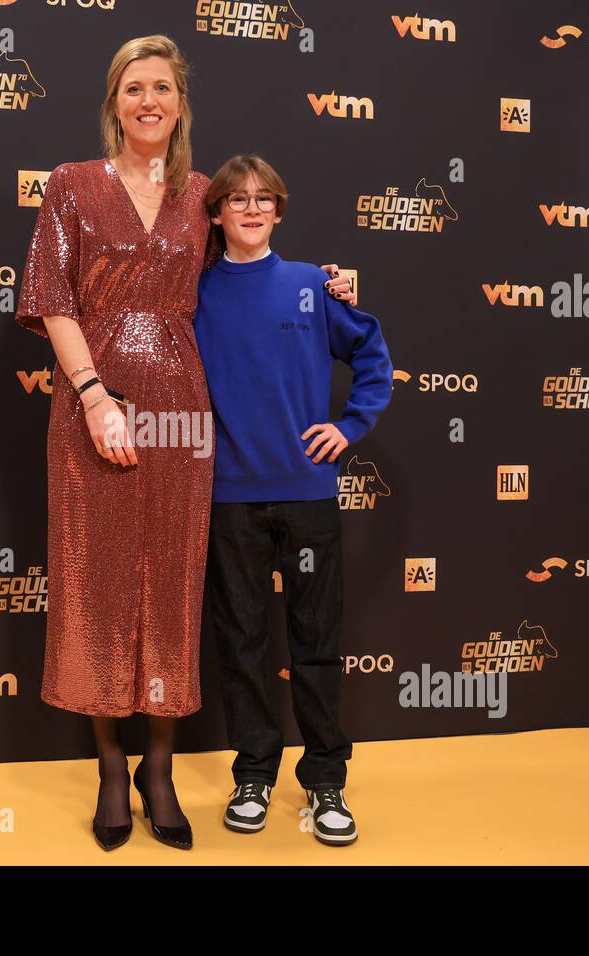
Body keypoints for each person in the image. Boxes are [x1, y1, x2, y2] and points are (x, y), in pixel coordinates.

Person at [14, 37, 355, 852]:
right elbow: (53, 297)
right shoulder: (71, 186)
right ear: (114, 102)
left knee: (170, 585)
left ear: (179, 104)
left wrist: (326, 284)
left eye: (162, 87)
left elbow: (250, 266)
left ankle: (158, 769)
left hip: (180, 411)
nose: (148, 100)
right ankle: (107, 765)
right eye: (134, 87)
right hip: (93, 401)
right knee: (97, 584)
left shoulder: (204, 195)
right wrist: (93, 394)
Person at [194, 154, 393, 846]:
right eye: (236, 200)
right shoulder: (194, 291)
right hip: (228, 498)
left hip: (307, 493)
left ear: (278, 210)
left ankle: (326, 783)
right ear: (215, 213)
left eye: (263, 199)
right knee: (242, 640)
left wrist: (348, 426)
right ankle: (253, 773)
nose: (250, 209)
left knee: (316, 641)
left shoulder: (314, 286)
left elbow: (372, 358)